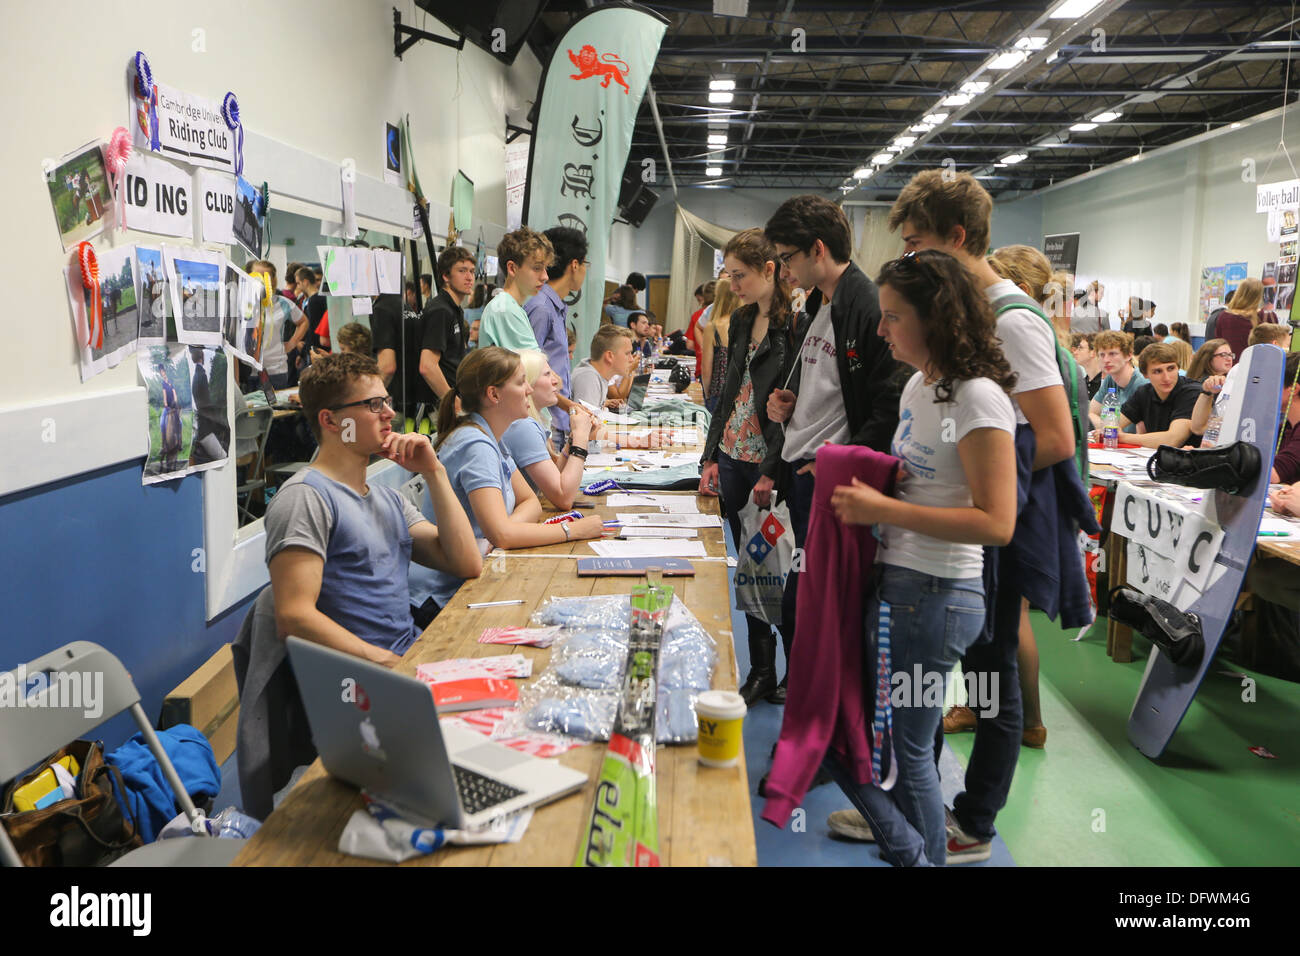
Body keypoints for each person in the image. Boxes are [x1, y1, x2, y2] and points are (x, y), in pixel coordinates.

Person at [867, 169, 1085, 862]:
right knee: (943, 685)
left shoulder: (1009, 322)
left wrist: (966, 484)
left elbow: (1052, 438)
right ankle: (918, 808)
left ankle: (974, 819)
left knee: (990, 672)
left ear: (955, 241)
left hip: (994, 525)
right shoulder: (947, 353)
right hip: (967, 523)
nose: (908, 258)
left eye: (917, 245)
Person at [827, 249, 1018, 867]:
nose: (880, 331)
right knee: (882, 745)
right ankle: (913, 850)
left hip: (935, 593)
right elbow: (917, 480)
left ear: (934, 319)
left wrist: (884, 513)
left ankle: (921, 856)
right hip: (904, 586)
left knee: (905, 753)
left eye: (892, 318)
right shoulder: (918, 385)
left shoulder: (978, 398)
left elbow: (997, 522)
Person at [764, 194, 905, 705]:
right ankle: (814, 715)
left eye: (787, 256)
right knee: (805, 604)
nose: (783, 268)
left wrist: (841, 468)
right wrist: (789, 401)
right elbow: (829, 383)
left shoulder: (864, 304)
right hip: (805, 475)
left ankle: (825, 726)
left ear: (817, 249)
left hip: (829, 481)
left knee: (820, 609)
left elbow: (886, 404)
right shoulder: (820, 303)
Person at [265, 352, 482, 664]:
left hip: (412, 655)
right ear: (331, 420)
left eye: (387, 401)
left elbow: (466, 563)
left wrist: (435, 473)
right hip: (366, 683)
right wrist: (392, 664)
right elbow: (294, 617)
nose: (390, 414)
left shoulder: (386, 498)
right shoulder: (306, 498)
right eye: (374, 404)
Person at [410, 347, 605, 620]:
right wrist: (572, 530)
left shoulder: (491, 437)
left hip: (475, 576)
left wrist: (504, 531)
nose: (528, 389)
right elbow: (503, 534)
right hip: (442, 596)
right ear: (493, 394)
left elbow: (530, 504)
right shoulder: (474, 444)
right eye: (520, 382)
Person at [698, 229, 798, 706]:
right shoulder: (739, 320)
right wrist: (711, 455)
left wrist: (771, 471)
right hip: (735, 457)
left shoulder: (796, 326)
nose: (733, 284)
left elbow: (793, 410)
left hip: (771, 464)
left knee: (783, 572)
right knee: (751, 570)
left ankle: (794, 672)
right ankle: (761, 668)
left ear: (770, 270)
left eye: (740, 275)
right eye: (729, 275)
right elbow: (727, 392)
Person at [501, 349, 600, 510]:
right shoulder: (522, 426)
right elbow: (563, 497)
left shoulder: (529, 422)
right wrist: (581, 437)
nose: (555, 381)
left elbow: (555, 477)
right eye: (547, 374)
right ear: (528, 383)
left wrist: (575, 438)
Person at [526, 226, 587, 448]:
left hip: (559, 419)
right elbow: (528, 373)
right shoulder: (541, 307)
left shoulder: (554, 306)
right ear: (574, 265)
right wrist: (570, 406)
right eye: (585, 264)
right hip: (547, 422)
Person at [1091, 342, 1199, 449]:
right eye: (1158, 371)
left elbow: (1173, 440)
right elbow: (1113, 425)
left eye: (1171, 368)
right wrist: (1104, 432)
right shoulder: (1144, 392)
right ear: (1145, 375)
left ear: (1178, 368)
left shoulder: (1191, 392)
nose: (1166, 377)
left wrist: (1122, 437)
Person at [418, 246, 475, 409]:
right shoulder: (440, 310)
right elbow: (427, 366)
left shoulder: (454, 309)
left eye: (471, 271)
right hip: (439, 405)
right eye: (462, 271)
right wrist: (452, 402)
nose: (469, 277)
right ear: (445, 276)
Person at [478, 228, 551, 352]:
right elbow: (539, 368)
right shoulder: (505, 310)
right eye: (537, 268)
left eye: (545, 268)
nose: (545, 277)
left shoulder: (511, 307)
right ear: (512, 268)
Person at [248, 260, 301, 389]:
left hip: (275, 371)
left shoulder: (282, 303)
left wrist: (292, 343)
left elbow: (303, 321)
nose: (260, 280)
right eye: (257, 275)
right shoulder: (242, 303)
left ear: (272, 280)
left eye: (266, 276)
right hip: (248, 371)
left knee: (274, 408)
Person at [1087, 331, 1146, 434]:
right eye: (1102, 355)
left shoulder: (1141, 384)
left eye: (1112, 354)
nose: (1106, 360)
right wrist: (1107, 429)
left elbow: (1142, 435)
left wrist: (1106, 429)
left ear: (1128, 355)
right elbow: (1091, 413)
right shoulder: (1110, 379)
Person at [572, 324, 637, 412]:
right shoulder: (588, 378)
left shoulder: (597, 375)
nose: (631, 359)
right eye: (627, 353)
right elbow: (587, 423)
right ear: (609, 356)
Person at [700, 276, 740, 412]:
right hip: (741, 394)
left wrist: (706, 393)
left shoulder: (713, 327)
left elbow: (706, 368)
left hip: (719, 392)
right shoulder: (747, 325)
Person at [1215, 278, 1268, 361]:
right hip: (1256, 367)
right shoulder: (1265, 316)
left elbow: (1218, 343)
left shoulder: (1224, 316)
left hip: (1228, 366)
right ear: (1259, 295)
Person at [1071, 333, 1104, 399]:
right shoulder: (1082, 383)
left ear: (1093, 352)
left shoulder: (1106, 383)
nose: (1075, 353)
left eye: (1080, 348)